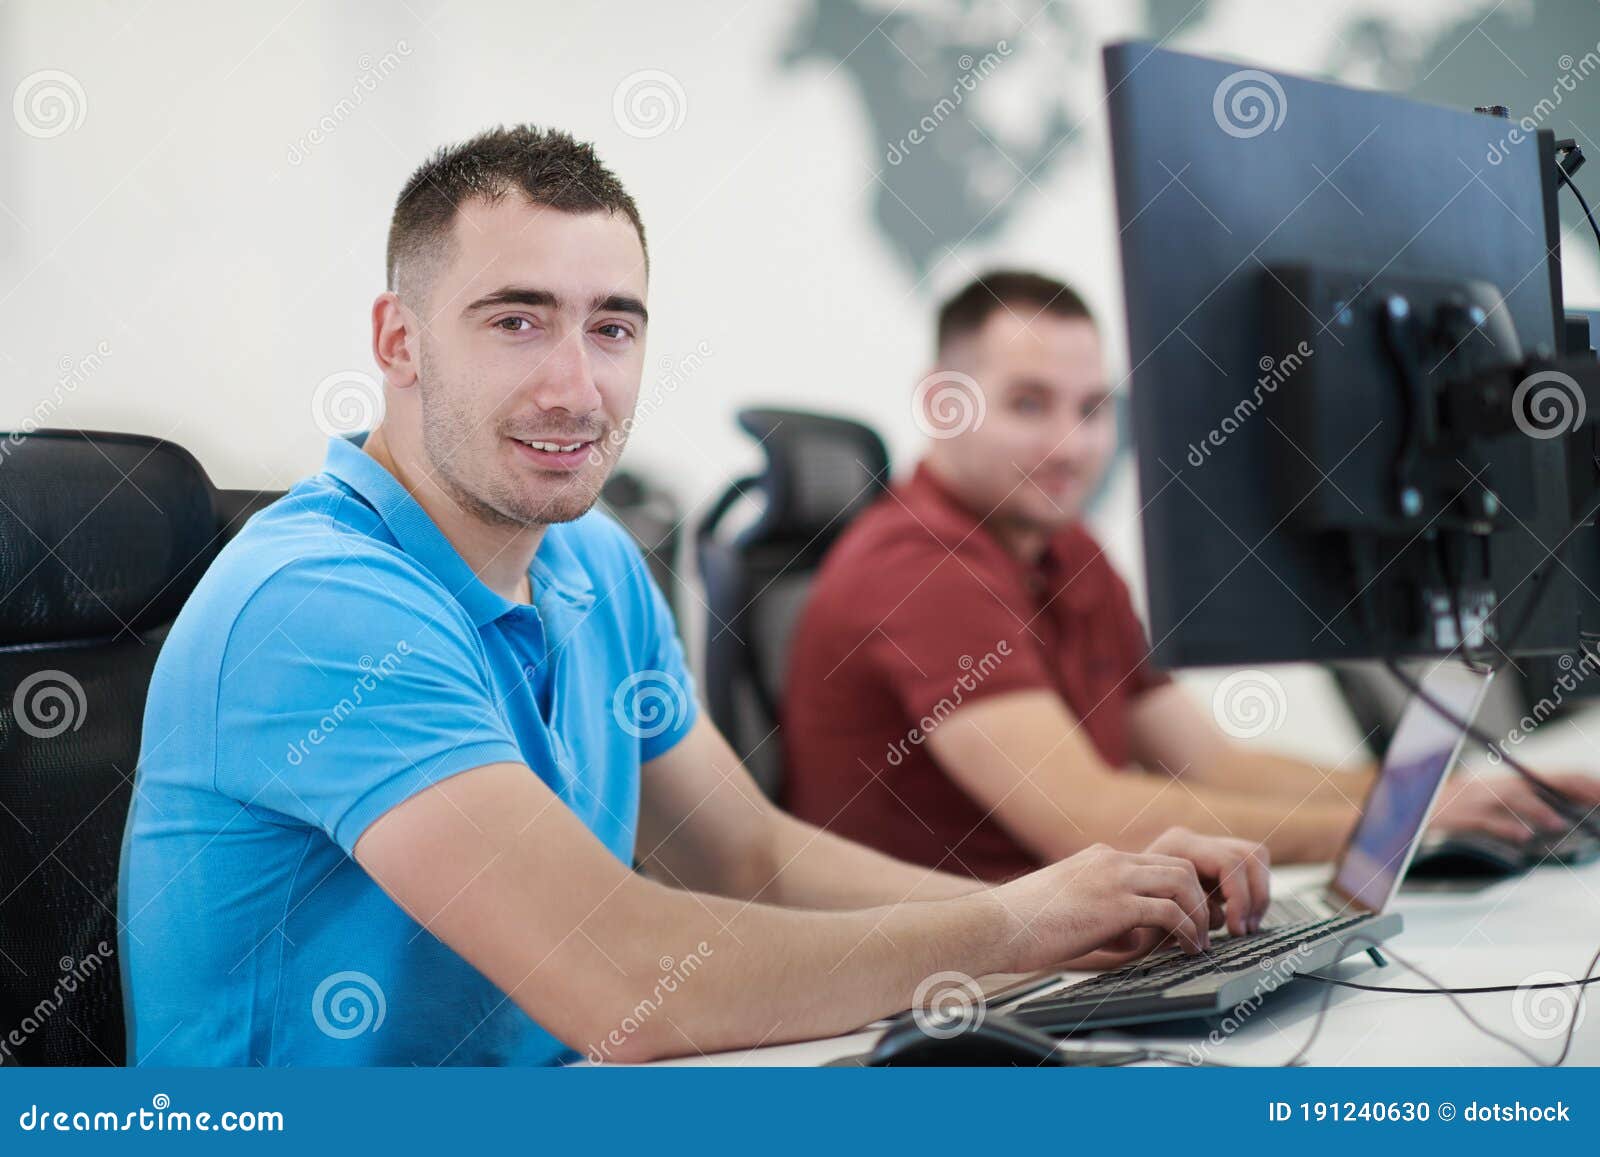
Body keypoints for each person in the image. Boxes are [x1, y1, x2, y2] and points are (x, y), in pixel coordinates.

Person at [118, 130, 1268, 1068]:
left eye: (611, 326)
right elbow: (621, 977)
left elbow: (746, 857)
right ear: (398, 339)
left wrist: (1063, 930)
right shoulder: (316, 602)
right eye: (516, 319)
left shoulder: (595, 564)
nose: (576, 385)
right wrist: (1017, 926)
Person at [781, 270, 1600, 882]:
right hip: (959, 993)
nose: (1072, 447)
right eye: (1029, 404)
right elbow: (1087, 817)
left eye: (1093, 409)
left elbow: (1211, 763)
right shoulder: (918, 567)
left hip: (1063, 949)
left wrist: (1436, 797)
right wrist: (1392, 823)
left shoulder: (1067, 553)